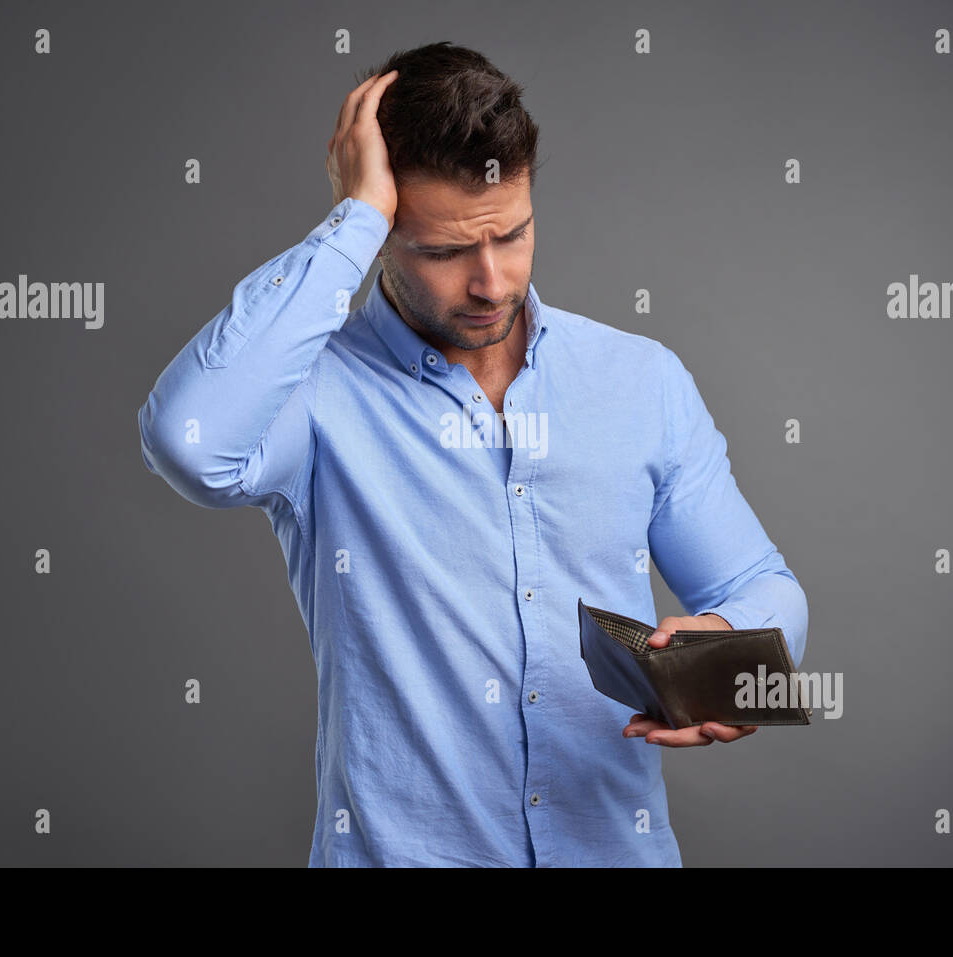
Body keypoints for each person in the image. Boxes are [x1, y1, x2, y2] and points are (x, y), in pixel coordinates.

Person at [137, 41, 808, 867]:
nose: (492, 281)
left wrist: (728, 657)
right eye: (446, 251)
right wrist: (353, 218)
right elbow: (187, 441)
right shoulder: (315, 397)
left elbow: (760, 587)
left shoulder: (641, 380)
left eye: (513, 235)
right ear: (383, 235)